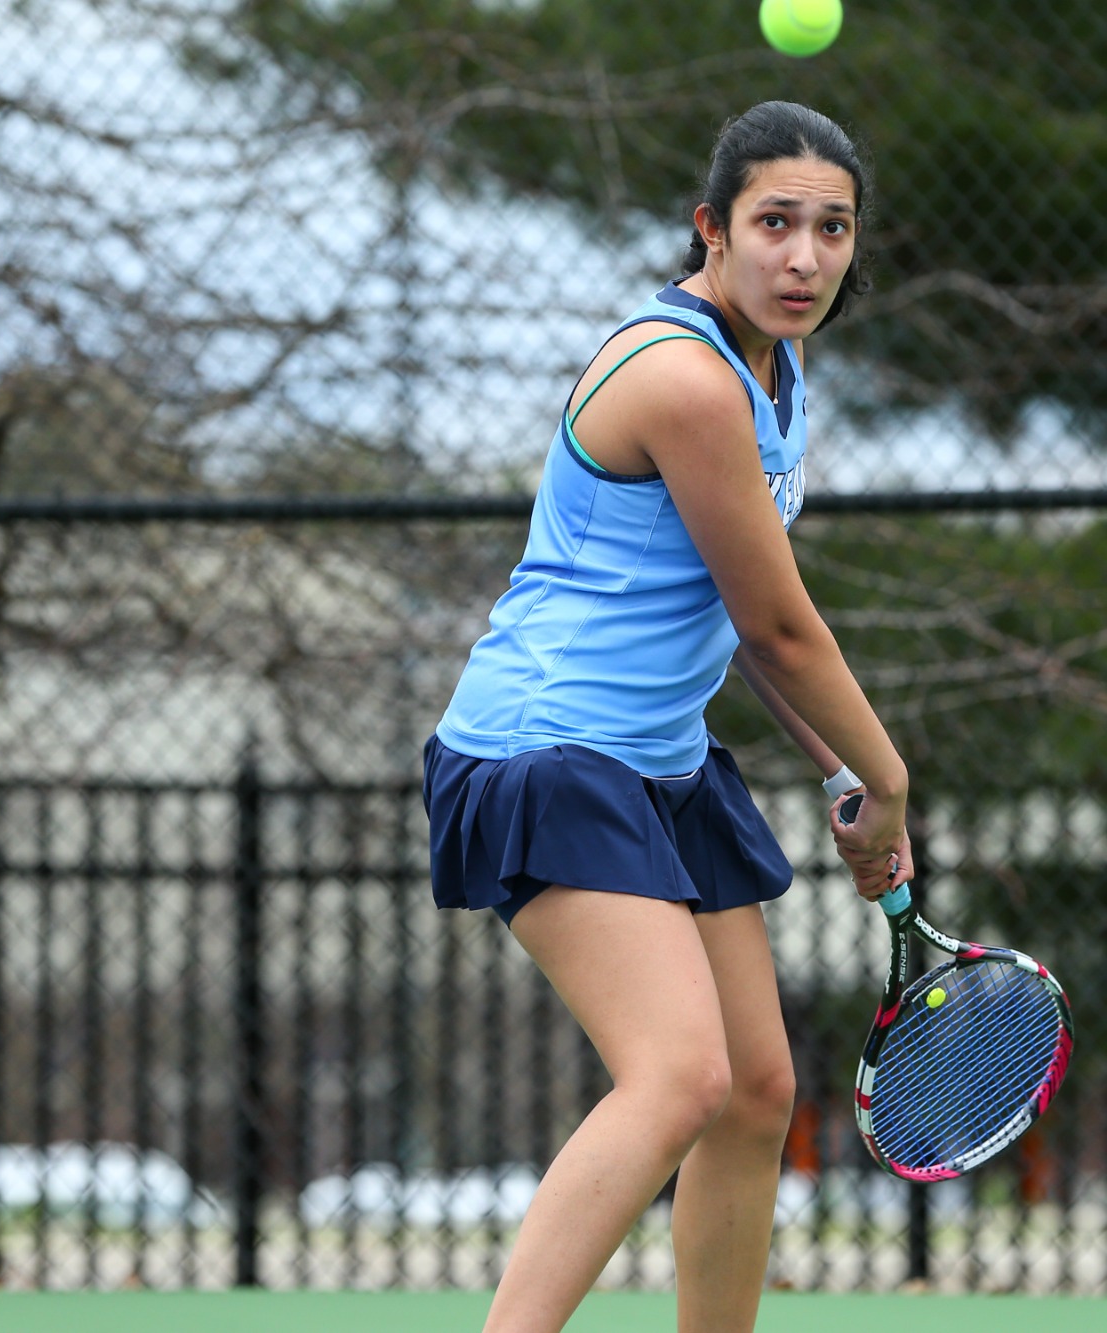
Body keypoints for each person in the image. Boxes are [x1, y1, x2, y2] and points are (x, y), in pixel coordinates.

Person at [422, 100, 913, 1333]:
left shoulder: (776, 368)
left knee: (754, 1087)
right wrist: (888, 775)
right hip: (543, 754)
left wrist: (838, 773)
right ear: (711, 229)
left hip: (659, 759)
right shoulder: (684, 379)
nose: (803, 257)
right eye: (774, 224)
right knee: (681, 1074)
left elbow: (731, 623)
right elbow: (783, 627)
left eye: (832, 229)